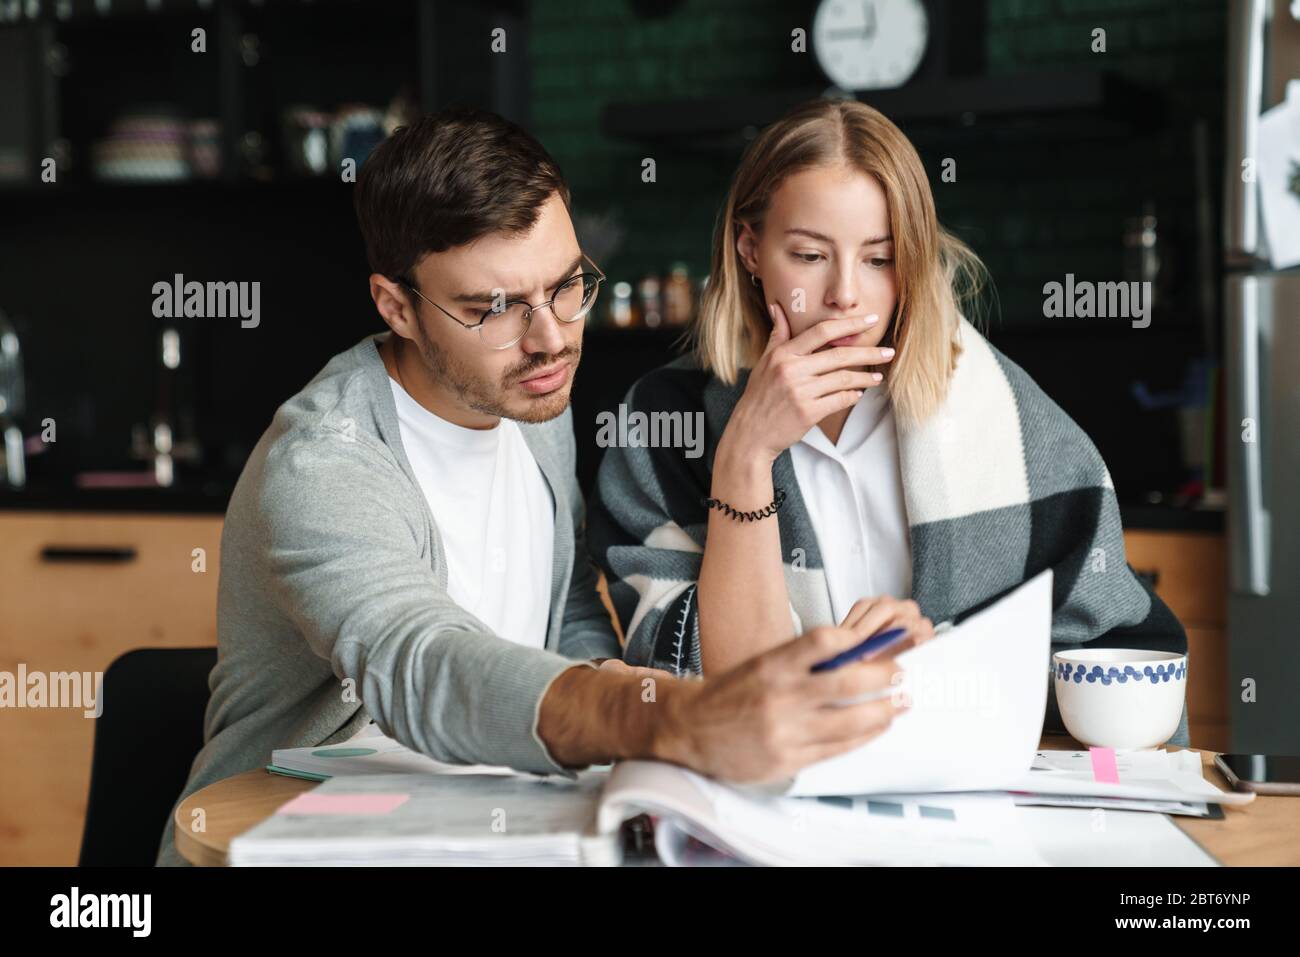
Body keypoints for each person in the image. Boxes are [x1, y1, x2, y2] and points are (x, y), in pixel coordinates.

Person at [155, 106, 932, 866]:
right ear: (396, 306)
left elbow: (562, 606)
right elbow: (424, 664)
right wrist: (662, 715)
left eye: (567, 286)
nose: (552, 337)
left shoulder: (526, 399)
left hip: (480, 827)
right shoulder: (325, 462)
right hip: (284, 843)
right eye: (493, 307)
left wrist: (627, 685)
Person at [587, 98, 1189, 744]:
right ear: (750, 248)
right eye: (810, 255)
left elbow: (1115, 672)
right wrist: (745, 455)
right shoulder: (663, 427)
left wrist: (931, 668)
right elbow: (702, 700)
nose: (845, 293)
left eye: (879, 258)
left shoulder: (1005, 415)